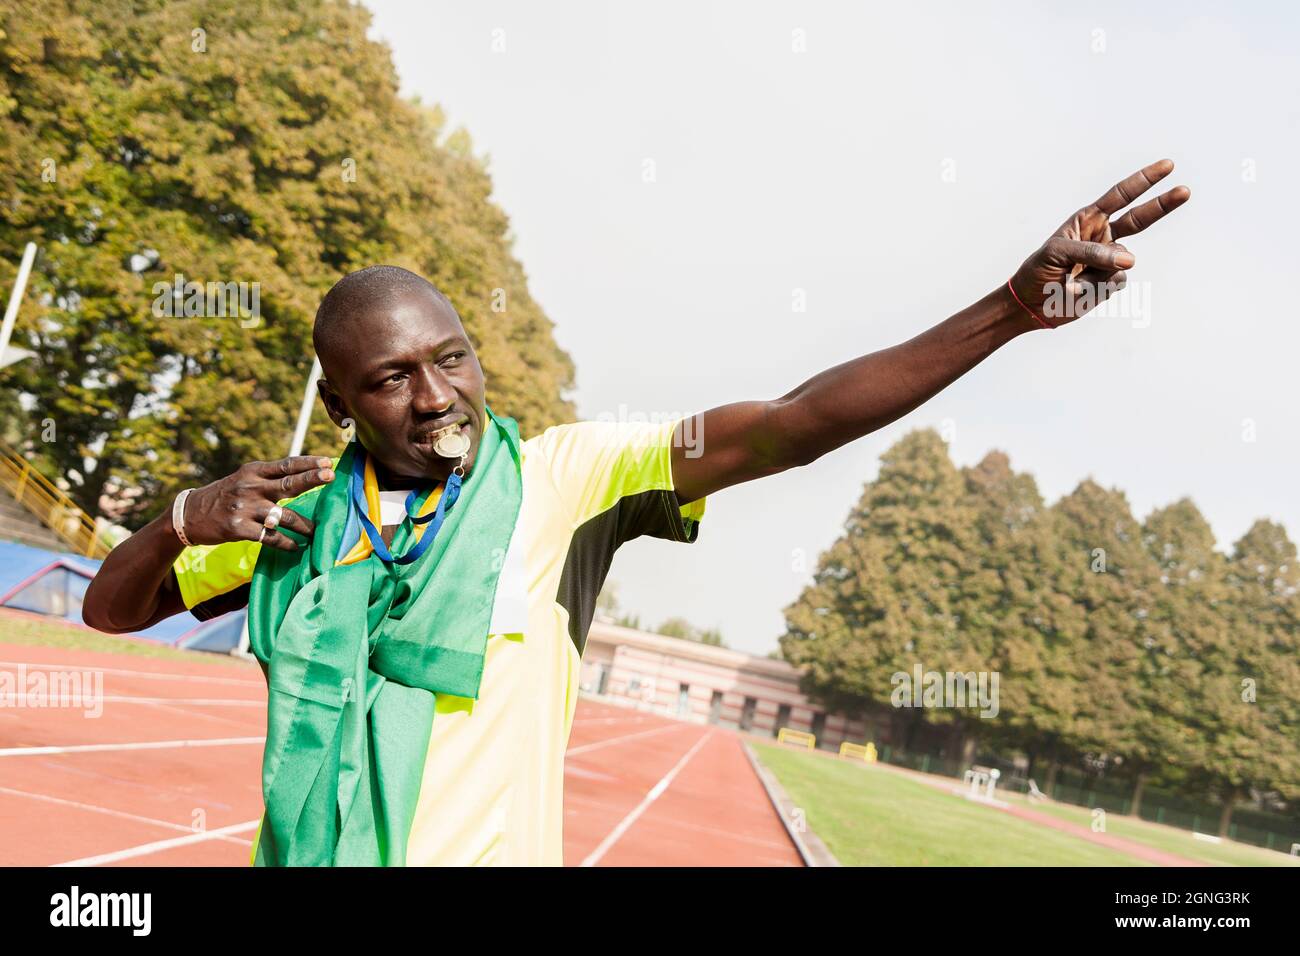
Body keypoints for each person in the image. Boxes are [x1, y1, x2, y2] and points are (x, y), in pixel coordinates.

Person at [82, 159, 1190, 866]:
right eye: (391, 379)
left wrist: (1008, 309)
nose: (435, 397)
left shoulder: (565, 478)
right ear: (339, 404)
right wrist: (180, 517)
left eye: (451, 358)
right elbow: (111, 610)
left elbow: (790, 424)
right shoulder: (290, 522)